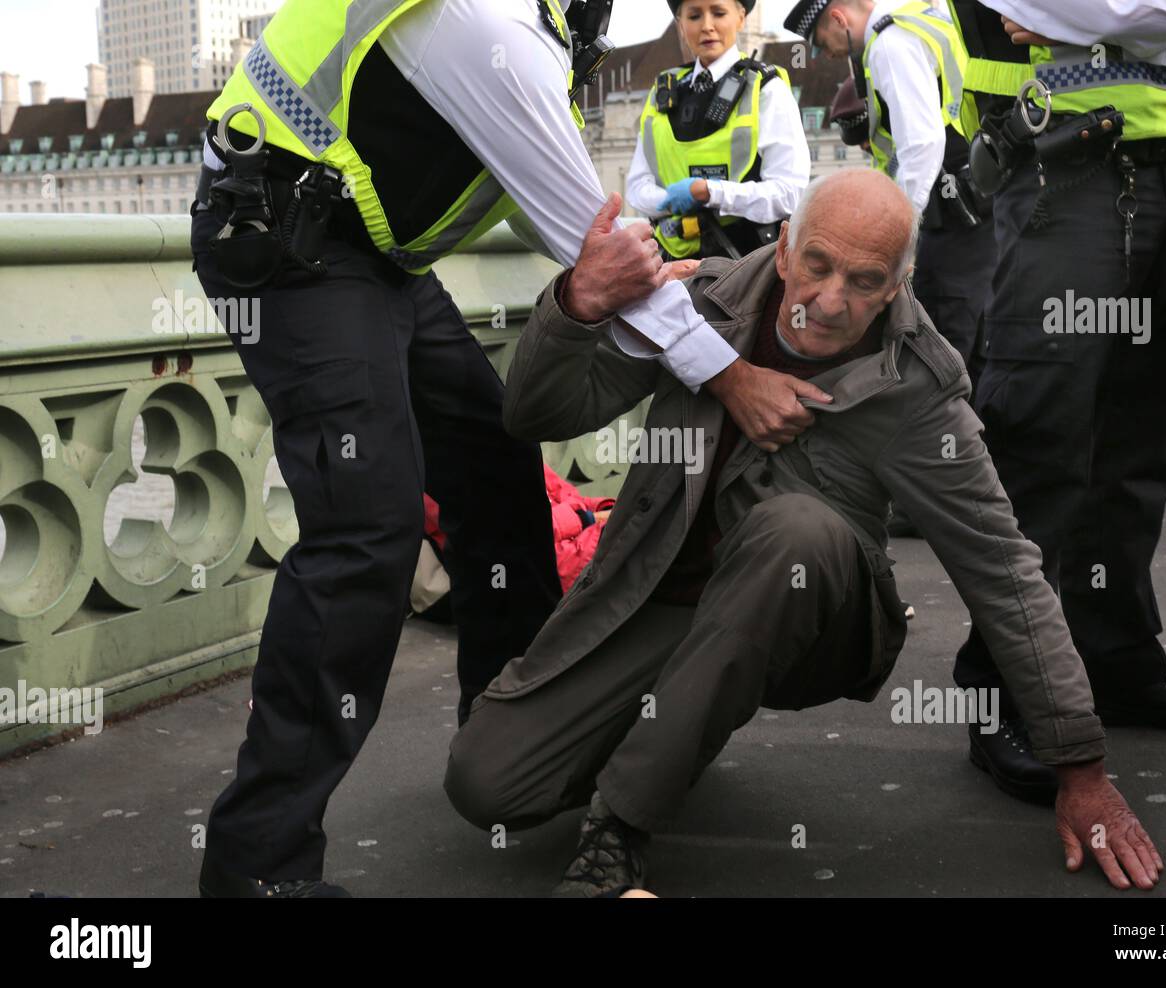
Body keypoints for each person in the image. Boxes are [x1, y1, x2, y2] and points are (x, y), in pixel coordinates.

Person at [190, 0, 828, 898]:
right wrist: (732, 376)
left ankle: (511, 741)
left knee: (496, 476)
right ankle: (259, 867)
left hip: (373, 258)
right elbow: (585, 235)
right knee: (365, 533)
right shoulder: (490, 27)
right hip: (282, 245)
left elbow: (570, 223)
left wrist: (630, 274)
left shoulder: (545, 29)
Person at [445, 170, 1165, 898]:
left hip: (814, 622)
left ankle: (617, 835)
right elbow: (536, 416)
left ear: (897, 285)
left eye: (864, 280)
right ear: (784, 249)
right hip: (660, 599)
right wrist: (578, 303)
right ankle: (673, 731)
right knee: (488, 785)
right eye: (817, 265)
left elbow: (1004, 569)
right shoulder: (702, 305)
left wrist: (1082, 767)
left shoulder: (916, 391)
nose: (828, 301)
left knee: (795, 530)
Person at [922, 1, 1166, 805]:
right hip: (1058, 177)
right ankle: (999, 691)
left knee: (1135, 453)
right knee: (1039, 449)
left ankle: (1117, 662)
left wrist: (1126, 23)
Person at [786, 0, 996, 367]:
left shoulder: (890, 43)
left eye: (822, 42)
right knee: (979, 338)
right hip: (983, 198)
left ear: (838, 18)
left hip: (949, 214)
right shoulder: (928, 15)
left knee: (938, 345)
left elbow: (922, 146)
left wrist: (896, 237)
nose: (828, 53)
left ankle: (943, 424)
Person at [626, 0, 810, 261]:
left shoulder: (766, 89)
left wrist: (709, 193)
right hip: (675, 263)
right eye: (694, 16)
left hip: (749, 264)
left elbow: (789, 193)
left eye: (719, 13)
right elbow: (636, 187)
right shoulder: (663, 94)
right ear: (680, 24)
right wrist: (669, 199)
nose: (707, 26)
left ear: (741, 18)